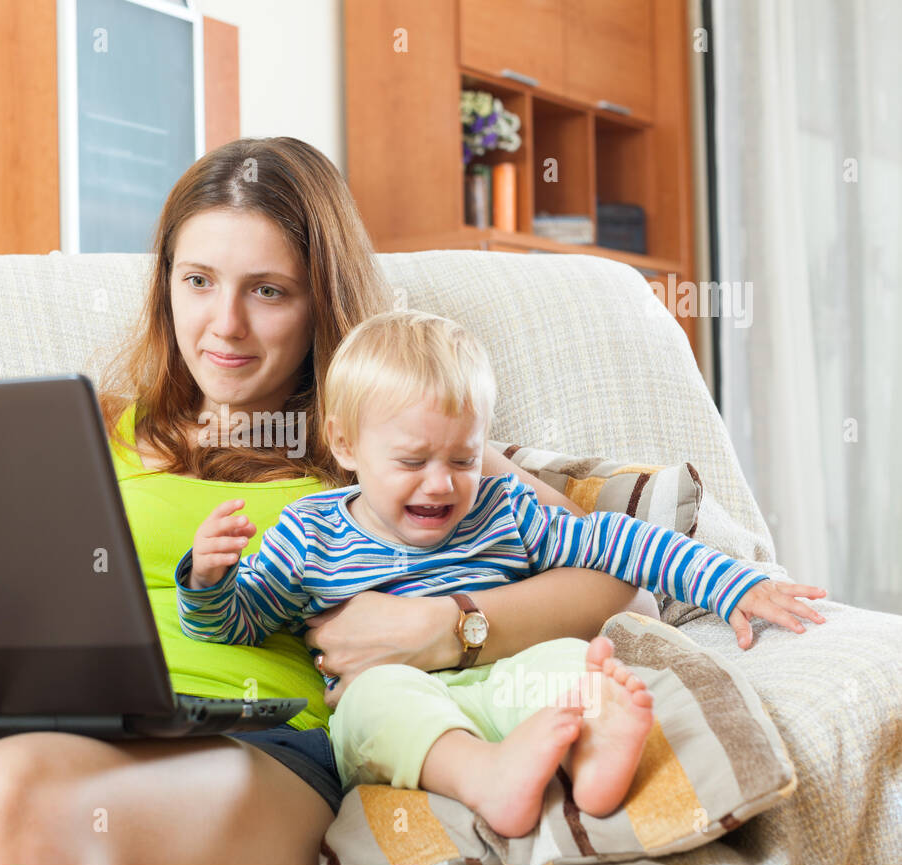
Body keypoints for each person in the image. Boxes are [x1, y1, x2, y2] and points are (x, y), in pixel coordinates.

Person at [0, 136, 672, 865]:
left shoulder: (382, 437)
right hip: (27, 722)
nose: (225, 326)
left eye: (269, 292)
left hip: (249, 736)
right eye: (199, 280)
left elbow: (609, 570)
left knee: (1, 801)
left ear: (323, 302)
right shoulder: (88, 425)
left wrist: (447, 626)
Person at [176, 310, 828, 836]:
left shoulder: (505, 509)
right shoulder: (309, 533)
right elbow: (239, 622)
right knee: (369, 706)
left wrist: (734, 582)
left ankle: (594, 755)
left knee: (576, 663)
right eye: (412, 460)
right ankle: (487, 777)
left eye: (463, 458)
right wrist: (208, 582)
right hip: (404, 702)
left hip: (507, 678)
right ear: (346, 446)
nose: (441, 483)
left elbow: (620, 544)